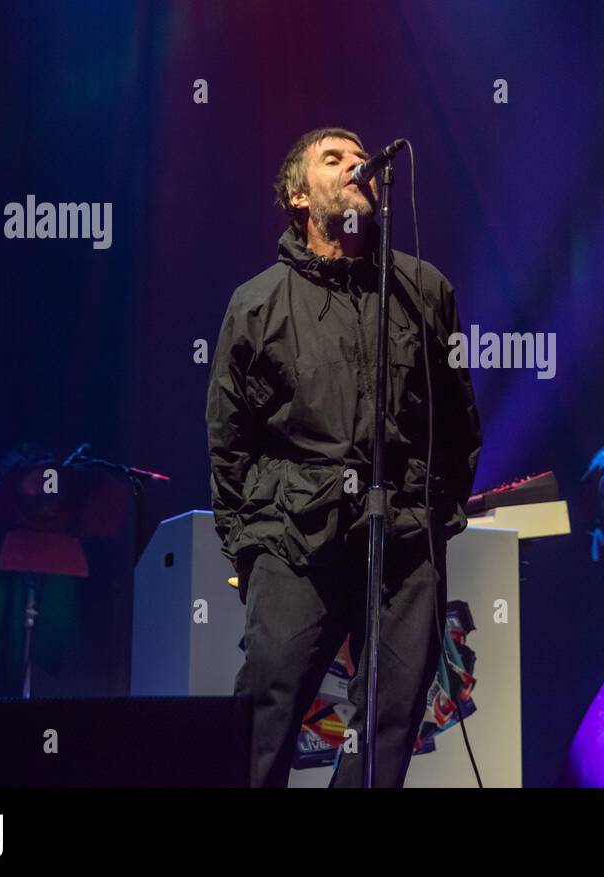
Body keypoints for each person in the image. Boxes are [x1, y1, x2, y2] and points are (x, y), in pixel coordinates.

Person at [206, 127, 482, 787]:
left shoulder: (425, 290)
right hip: (294, 540)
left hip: (404, 542)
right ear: (299, 197)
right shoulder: (257, 302)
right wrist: (248, 547)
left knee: (389, 726)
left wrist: (435, 513)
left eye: (359, 155)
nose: (355, 163)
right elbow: (228, 437)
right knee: (263, 720)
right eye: (333, 157)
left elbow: (457, 416)